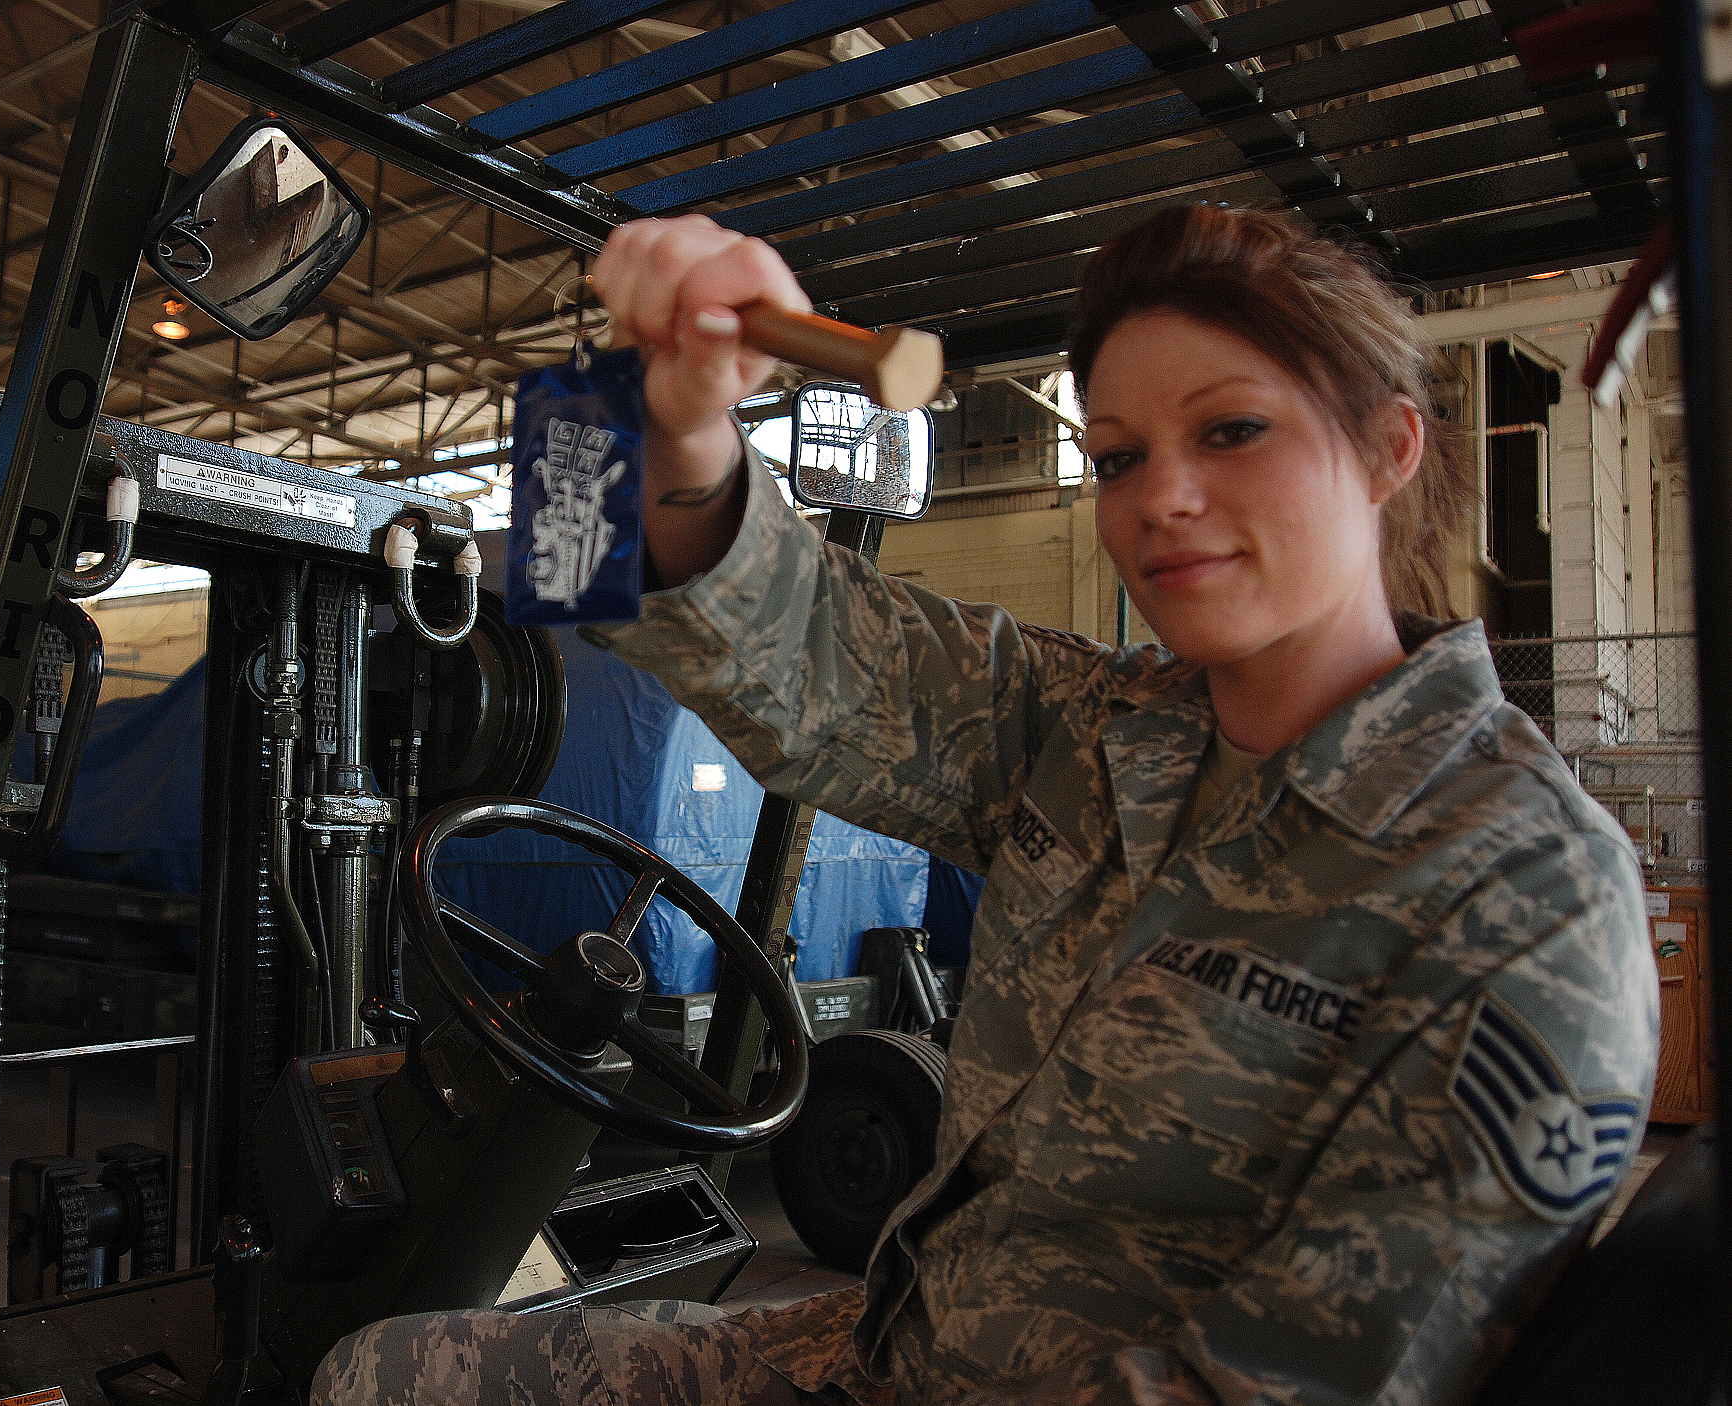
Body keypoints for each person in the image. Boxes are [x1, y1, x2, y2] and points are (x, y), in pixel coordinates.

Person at [317, 204, 1658, 1406]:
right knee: (376, 1372)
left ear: (1389, 447)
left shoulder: (1520, 887)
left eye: (1231, 430)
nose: (1162, 502)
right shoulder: (1096, 730)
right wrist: (650, 406)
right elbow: (778, 645)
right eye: (1120, 456)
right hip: (892, 1349)